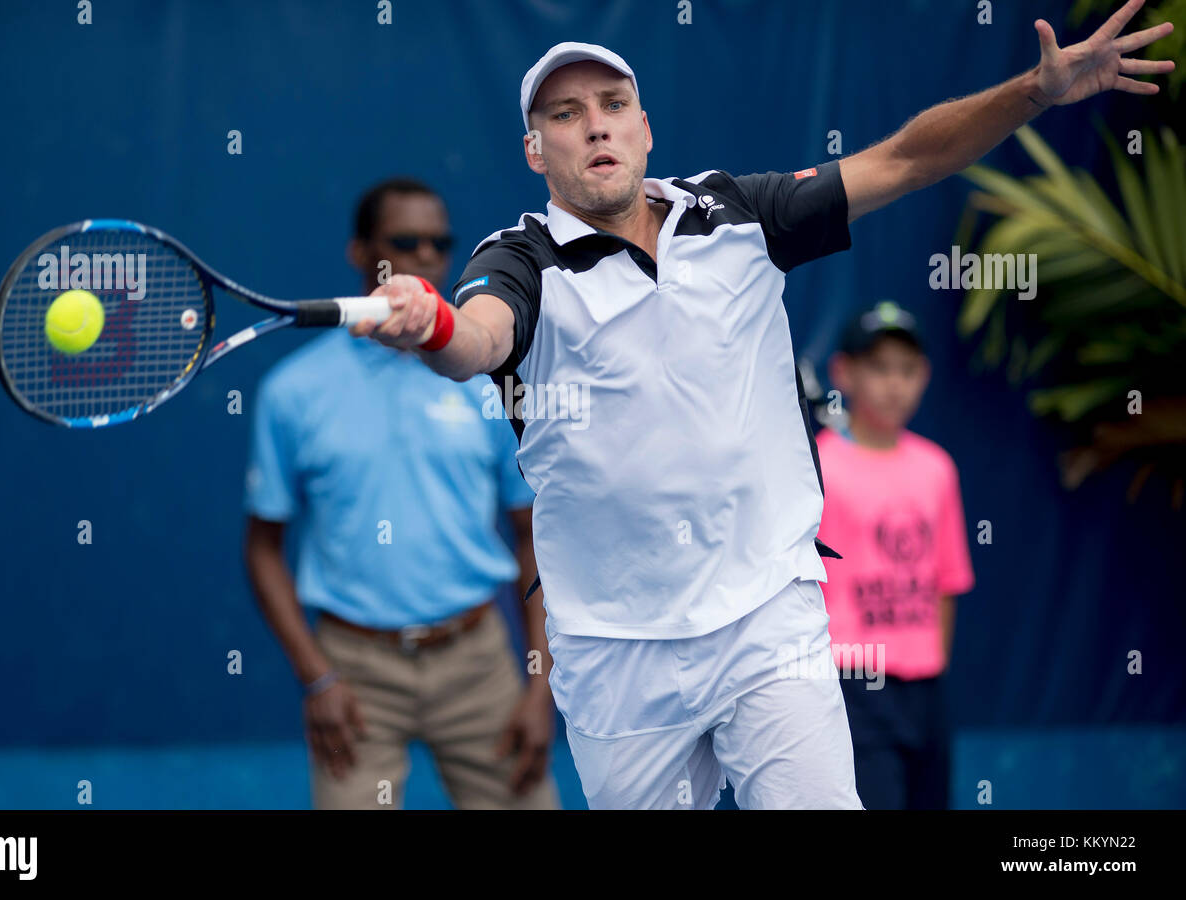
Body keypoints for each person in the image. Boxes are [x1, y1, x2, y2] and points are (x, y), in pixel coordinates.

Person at [346, 9, 1174, 809]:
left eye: (613, 106)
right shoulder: (518, 258)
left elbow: (908, 159)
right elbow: (479, 339)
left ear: (646, 129)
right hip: (617, 651)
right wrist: (433, 323)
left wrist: (1033, 91)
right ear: (535, 149)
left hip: (769, 617)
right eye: (565, 114)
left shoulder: (738, 213)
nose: (595, 126)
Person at [244, 177, 559, 810]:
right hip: (355, 672)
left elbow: (536, 541)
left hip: (479, 663)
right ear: (360, 252)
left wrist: (539, 686)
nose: (423, 258)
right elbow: (262, 551)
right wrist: (318, 678)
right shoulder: (293, 392)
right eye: (403, 242)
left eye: (439, 244)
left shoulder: (489, 381)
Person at [817, 301, 975, 809]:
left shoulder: (937, 469)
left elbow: (946, 581)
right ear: (844, 371)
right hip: (852, 683)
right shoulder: (816, 463)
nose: (894, 384)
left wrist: (932, 663)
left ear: (925, 377)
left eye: (906, 370)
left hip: (924, 690)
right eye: (879, 368)